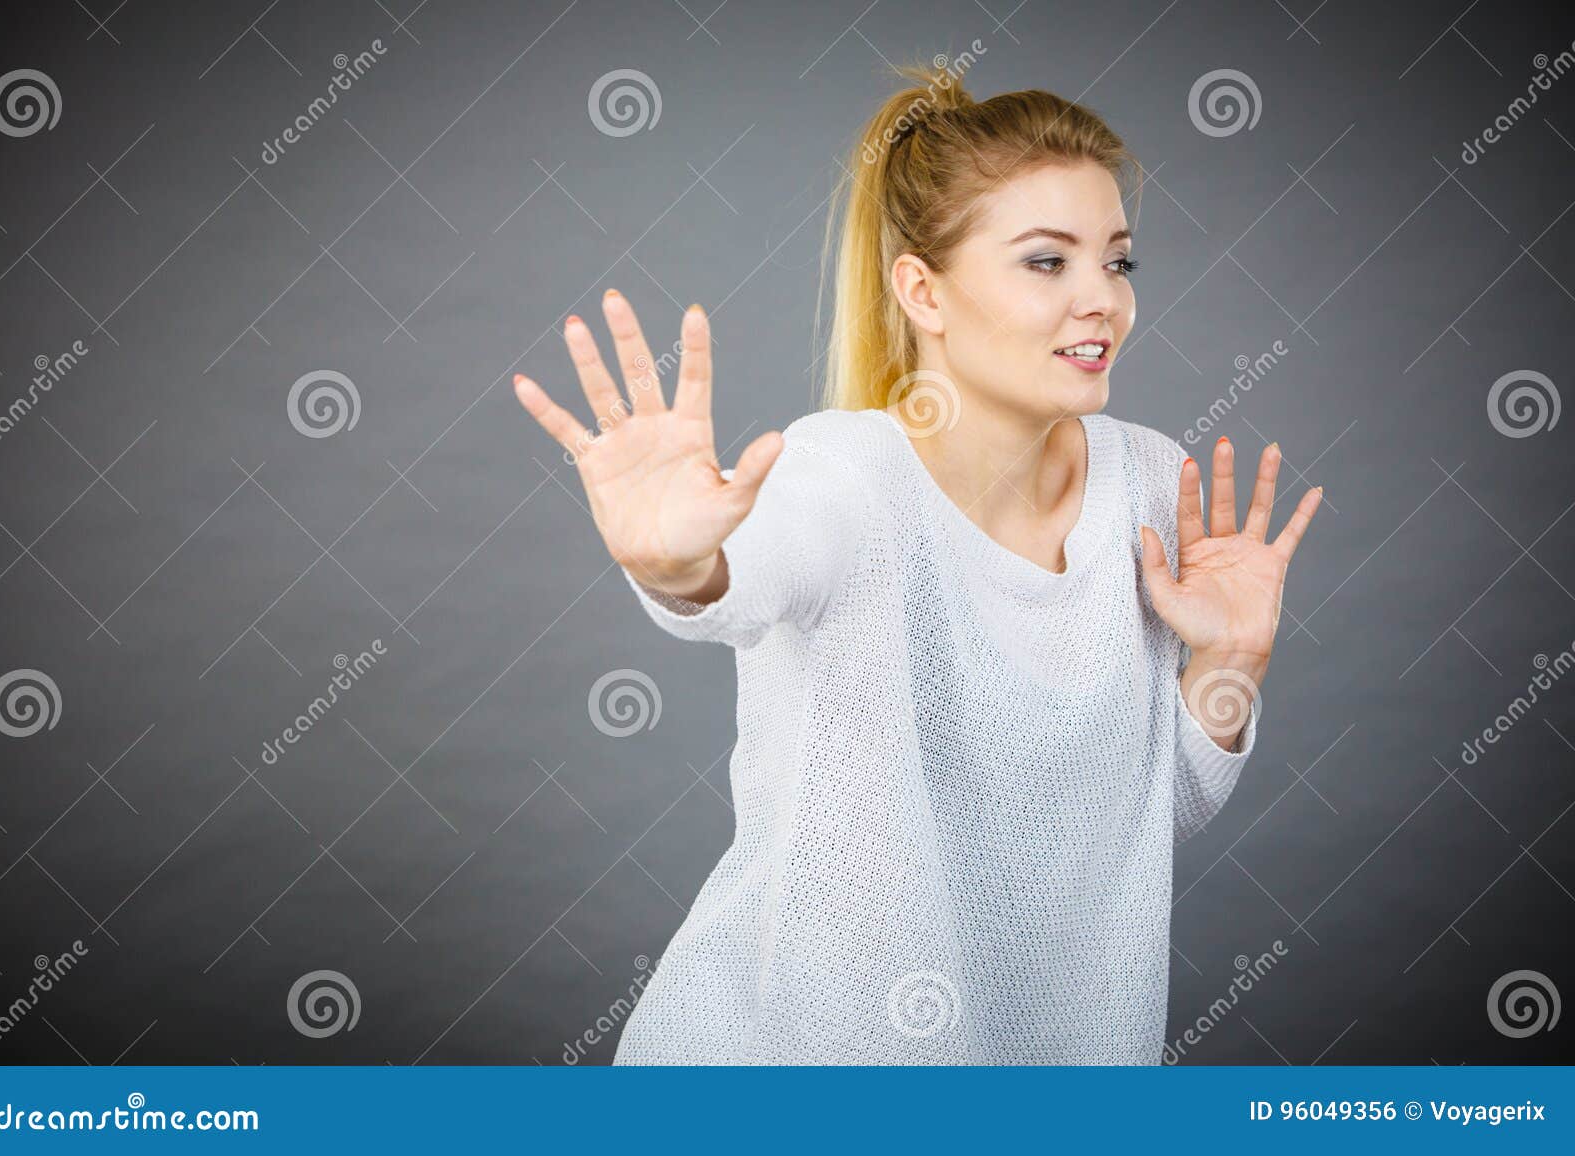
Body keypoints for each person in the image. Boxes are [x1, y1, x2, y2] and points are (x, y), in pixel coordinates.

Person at [513, 64, 1323, 1064]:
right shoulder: (845, 474)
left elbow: (1131, 827)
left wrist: (1233, 663)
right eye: (1045, 262)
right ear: (922, 290)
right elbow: (736, 579)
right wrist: (679, 562)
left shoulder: (1154, 484)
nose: (1099, 302)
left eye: (1116, 263)